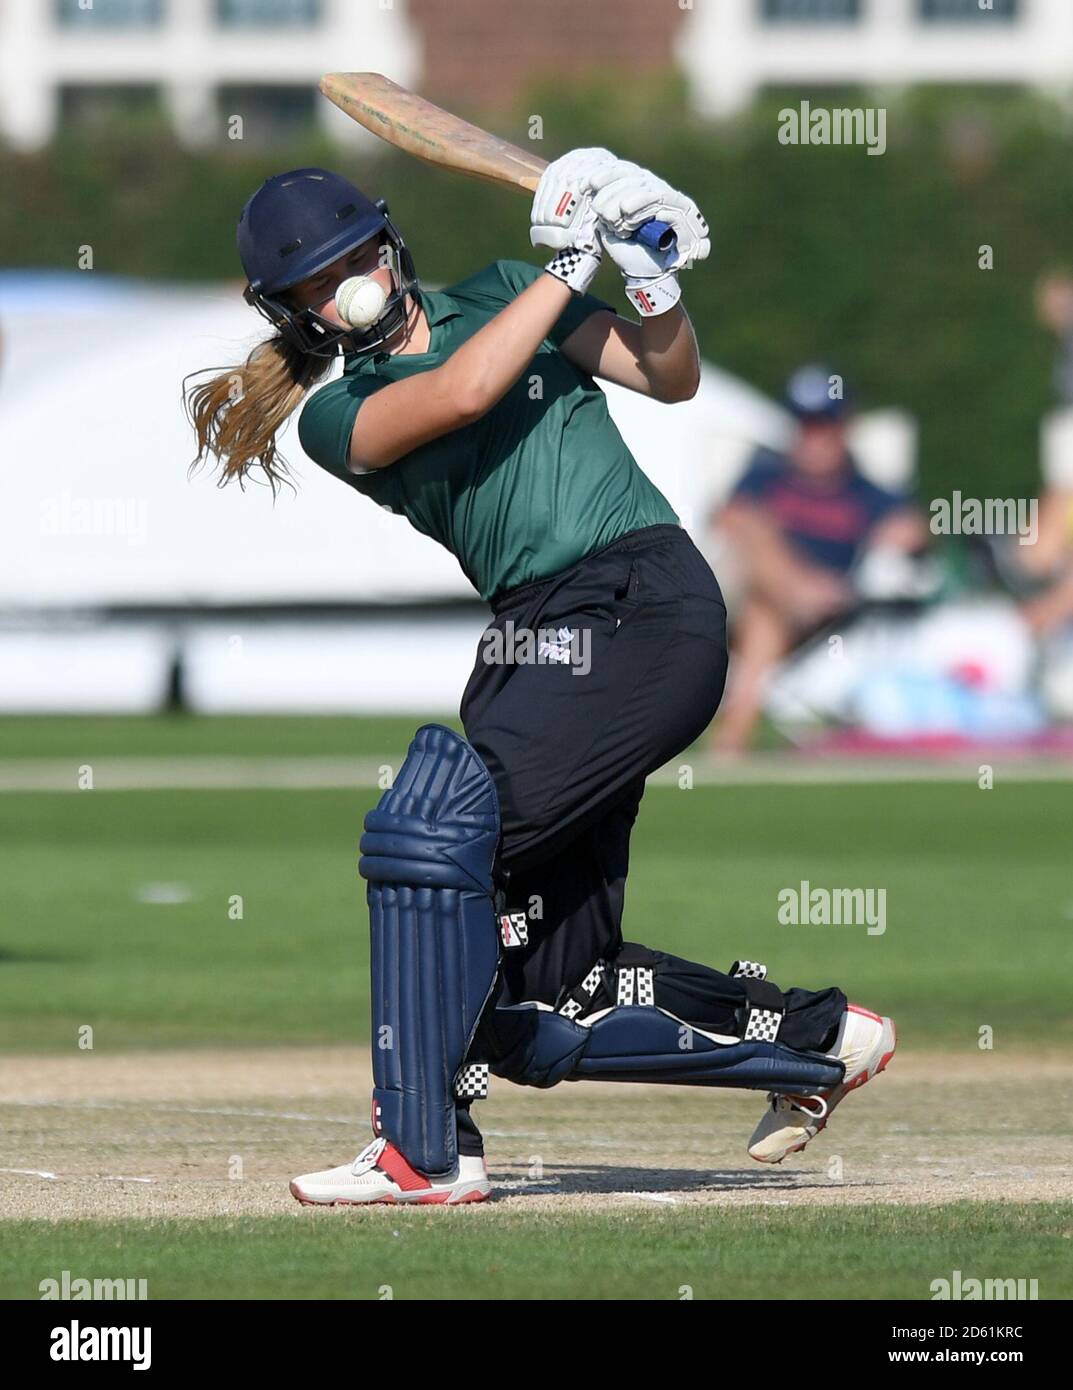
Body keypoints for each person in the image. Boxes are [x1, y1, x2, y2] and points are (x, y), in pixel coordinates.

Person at [186, 161, 895, 1205]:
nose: (350, 286)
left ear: (392, 246)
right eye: (316, 284)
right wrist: (574, 256)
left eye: (355, 258)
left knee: (432, 842)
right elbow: (468, 388)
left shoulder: (503, 287)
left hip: (641, 603)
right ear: (294, 315)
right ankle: (818, 1038)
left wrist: (649, 275)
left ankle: (419, 1151)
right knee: (539, 984)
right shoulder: (340, 418)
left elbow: (668, 374)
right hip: (536, 637)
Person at [710, 365, 926, 754]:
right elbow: (727, 520)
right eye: (804, 425)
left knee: (766, 614)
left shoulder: (868, 493)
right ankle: (794, 590)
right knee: (751, 530)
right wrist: (799, 581)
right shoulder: (765, 474)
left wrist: (906, 536)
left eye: (822, 425)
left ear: (844, 427)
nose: (813, 438)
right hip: (745, 596)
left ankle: (732, 741)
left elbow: (913, 531)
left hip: (818, 616)